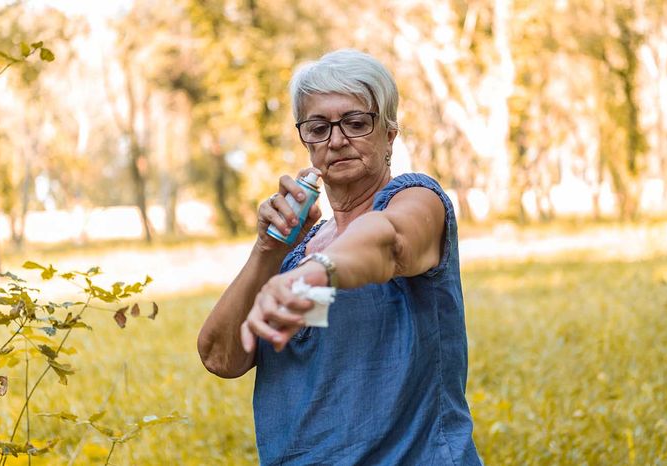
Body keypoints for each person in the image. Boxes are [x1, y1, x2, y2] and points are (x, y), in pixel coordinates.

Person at [197, 49, 482, 465]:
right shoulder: (295, 253)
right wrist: (268, 251)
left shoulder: (417, 200)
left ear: (388, 133)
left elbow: (387, 243)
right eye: (318, 127)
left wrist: (317, 271)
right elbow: (220, 357)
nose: (336, 140)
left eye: (355, 122)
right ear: (307, 142)